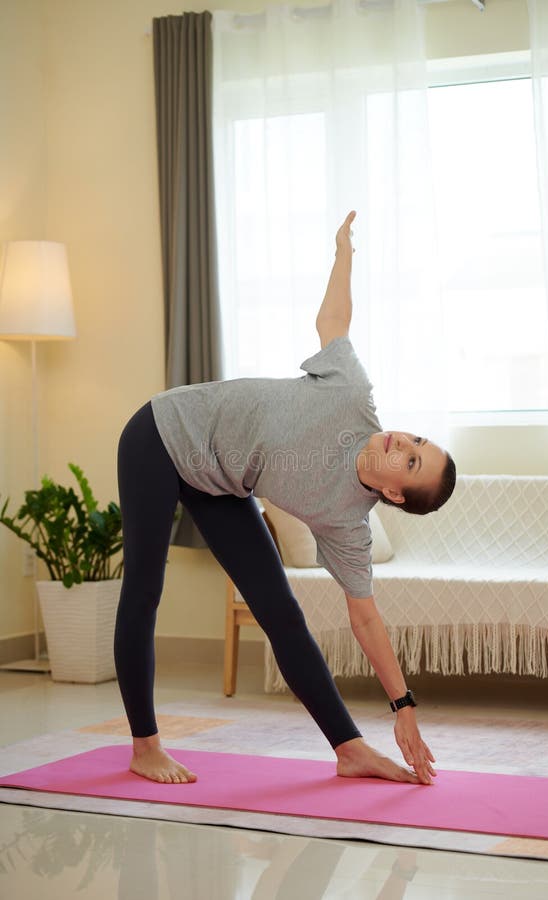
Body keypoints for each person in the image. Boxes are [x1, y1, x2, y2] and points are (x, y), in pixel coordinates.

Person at [114, 211, 456, 786]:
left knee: (282, 613)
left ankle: (349, 748)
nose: (405, 441)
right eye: (418, 439)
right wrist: (344, 252)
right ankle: (145, 746)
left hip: (219, 478)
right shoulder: (352, 395)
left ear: (396, 492)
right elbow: (333, 319)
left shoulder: (348, 526)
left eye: (413, 459)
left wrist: (405, 706)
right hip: (161, 433)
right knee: (145, 588)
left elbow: (365, 618)